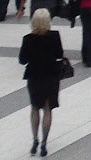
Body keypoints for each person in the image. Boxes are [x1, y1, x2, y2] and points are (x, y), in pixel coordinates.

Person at [18, 8, 66, 156]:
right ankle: (44, 143)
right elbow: (60, 54)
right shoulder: (54, 36)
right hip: (51, 75)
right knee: (47, 109)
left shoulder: (28, 39)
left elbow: (22, 60)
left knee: (34, 108)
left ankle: (34, 141)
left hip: (34, 76)